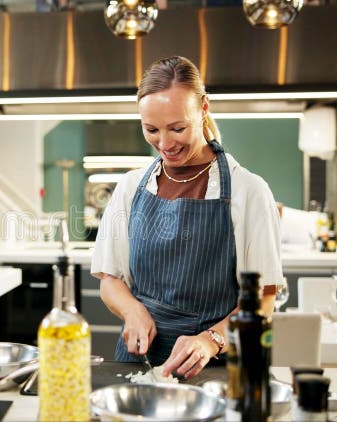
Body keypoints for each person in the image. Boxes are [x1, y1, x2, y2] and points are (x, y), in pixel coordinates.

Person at [91, 56, 281, 379]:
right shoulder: (129, 187)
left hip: (212, 370)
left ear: (204, 108)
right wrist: (132, 310)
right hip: (138, 367)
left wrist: (211, 341)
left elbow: (263, 301)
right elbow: (110, 281)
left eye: (177, 128)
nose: (164, 144)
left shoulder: (249, 192)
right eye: (151, 130)